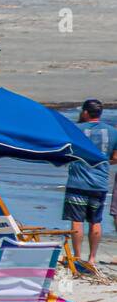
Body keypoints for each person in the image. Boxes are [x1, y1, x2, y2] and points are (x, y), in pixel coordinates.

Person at [64, 100, 117, 268]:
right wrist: (103, 162)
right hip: (99, 182)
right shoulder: (112, 131)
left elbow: (66, 151)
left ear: (86, 112)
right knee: (95, 221)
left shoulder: (75, 130)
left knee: (77, 220)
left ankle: (78, 256)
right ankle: (92, 258)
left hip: (78, 180)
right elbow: (115, 158)